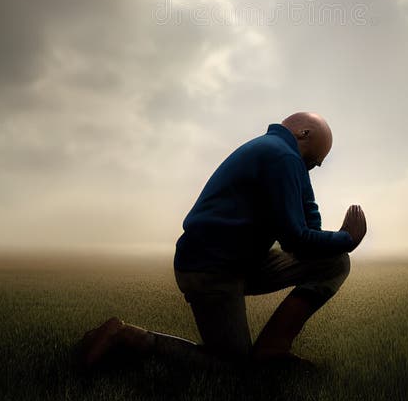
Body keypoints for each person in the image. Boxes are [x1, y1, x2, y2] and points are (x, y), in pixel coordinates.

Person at [77, 112, 367, 369]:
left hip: (241, 262)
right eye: (313, 162)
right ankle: (125, 336)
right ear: (303, 134)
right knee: (230, 366)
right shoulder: (282, 157)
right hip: (211, 269)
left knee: (333, 262)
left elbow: (307, 223)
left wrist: (320, 214)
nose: (312, 168)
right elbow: (295, 240)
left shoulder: (279, 154)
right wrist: (346, 238)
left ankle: (272, 350)